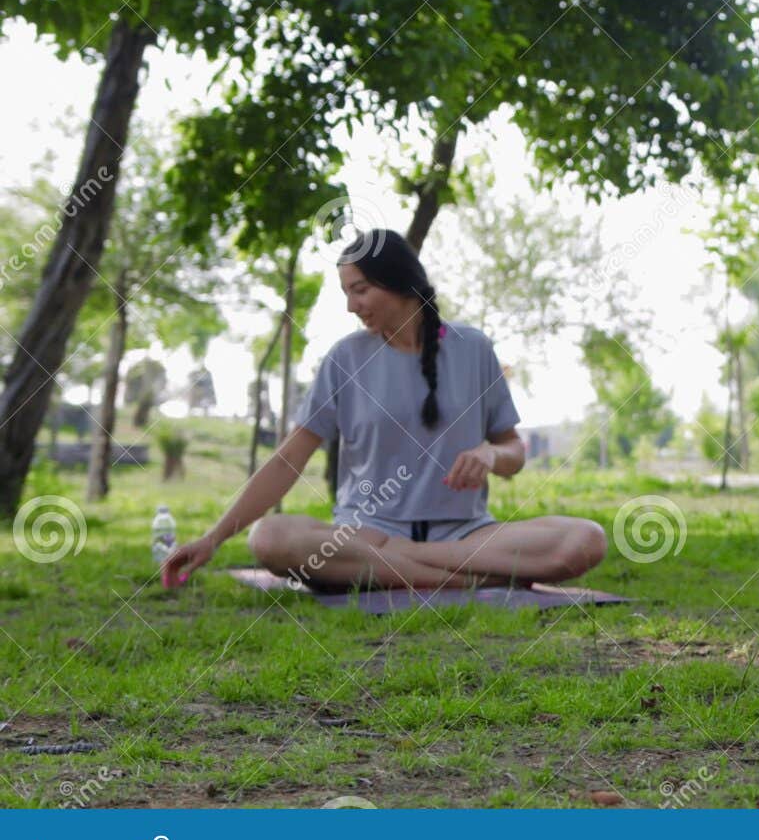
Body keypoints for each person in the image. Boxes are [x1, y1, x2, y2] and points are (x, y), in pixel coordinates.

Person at [161, 229, 606, 590]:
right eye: (347, 293)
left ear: (399, 283)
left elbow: (513, 452)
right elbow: (287, 460)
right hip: (365, 535)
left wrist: (490, 455)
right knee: (271, 538)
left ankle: (409, 571)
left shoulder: (474, 349)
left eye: (361, 290)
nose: (351, 306)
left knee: (585, 540)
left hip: (467, 535)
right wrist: (215, 537)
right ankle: (474, 579)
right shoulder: (344, 359)